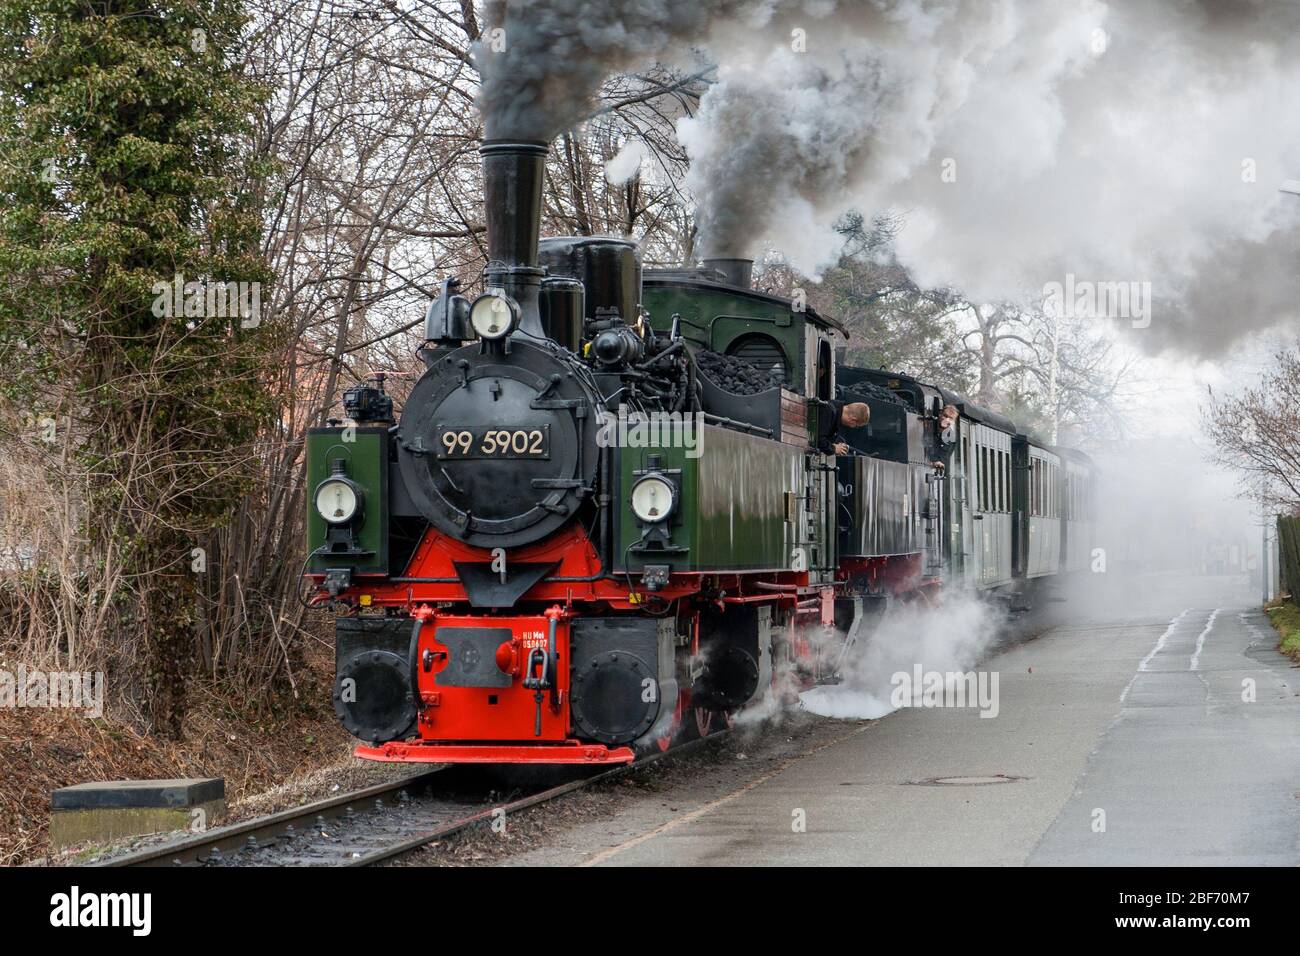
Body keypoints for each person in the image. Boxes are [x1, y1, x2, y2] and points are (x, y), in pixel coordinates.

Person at [931, 404, 959, 471]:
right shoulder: (928, 425)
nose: (947, 419)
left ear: (954, 421)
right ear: (940, 414)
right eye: (945, 416)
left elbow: (945, 455)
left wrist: (937, 461)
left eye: (951, 418)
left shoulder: (951, 437)